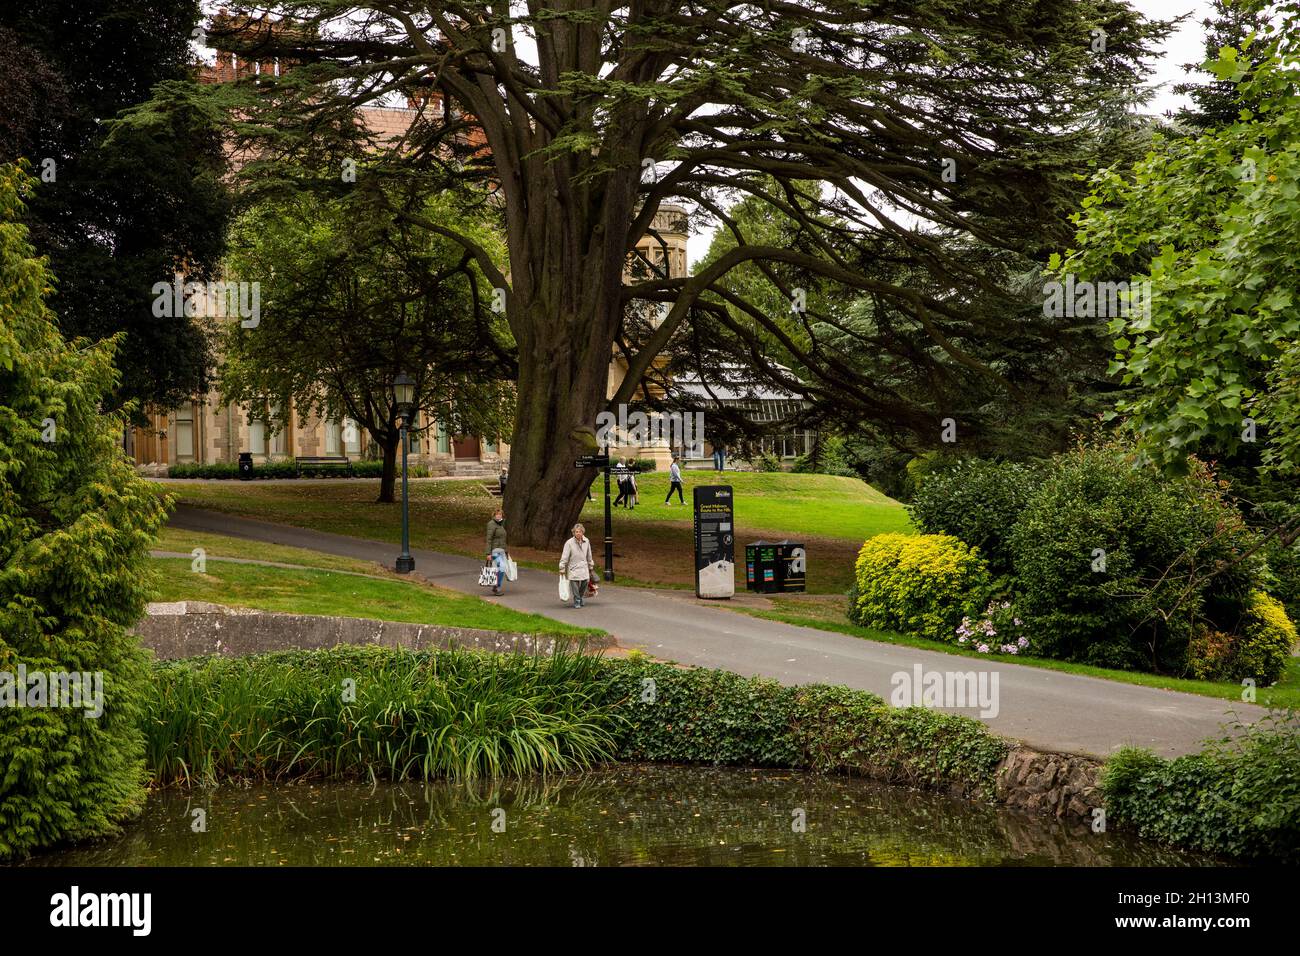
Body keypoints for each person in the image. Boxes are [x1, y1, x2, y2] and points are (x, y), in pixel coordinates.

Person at [559, 523, 596, 608]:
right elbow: (565, 556)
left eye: (579, 532)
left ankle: (581, 597)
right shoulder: (569, 543)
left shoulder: (586, 541)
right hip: (573, 568)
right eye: (576, 532)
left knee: (585, 582)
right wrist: (562, 567)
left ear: (583, 532)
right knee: (575, 587)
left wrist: (591, 565)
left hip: (584, 567)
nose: (578, 533)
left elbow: (589, 555)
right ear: (573, 533)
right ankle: (577, 601)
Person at [484, 508, 509, 595]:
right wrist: (488, 553)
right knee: (501, 567)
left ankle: (496, 586)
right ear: (494, 515)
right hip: (494, 550)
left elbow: (503, 540)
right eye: (497, 514)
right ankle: (496, 586)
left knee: (501, 568)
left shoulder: (501, 524)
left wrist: (506, 551)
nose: (499, 516)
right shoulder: (491, 524)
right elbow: (489, 539)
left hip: (501, 550)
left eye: (500, 514)